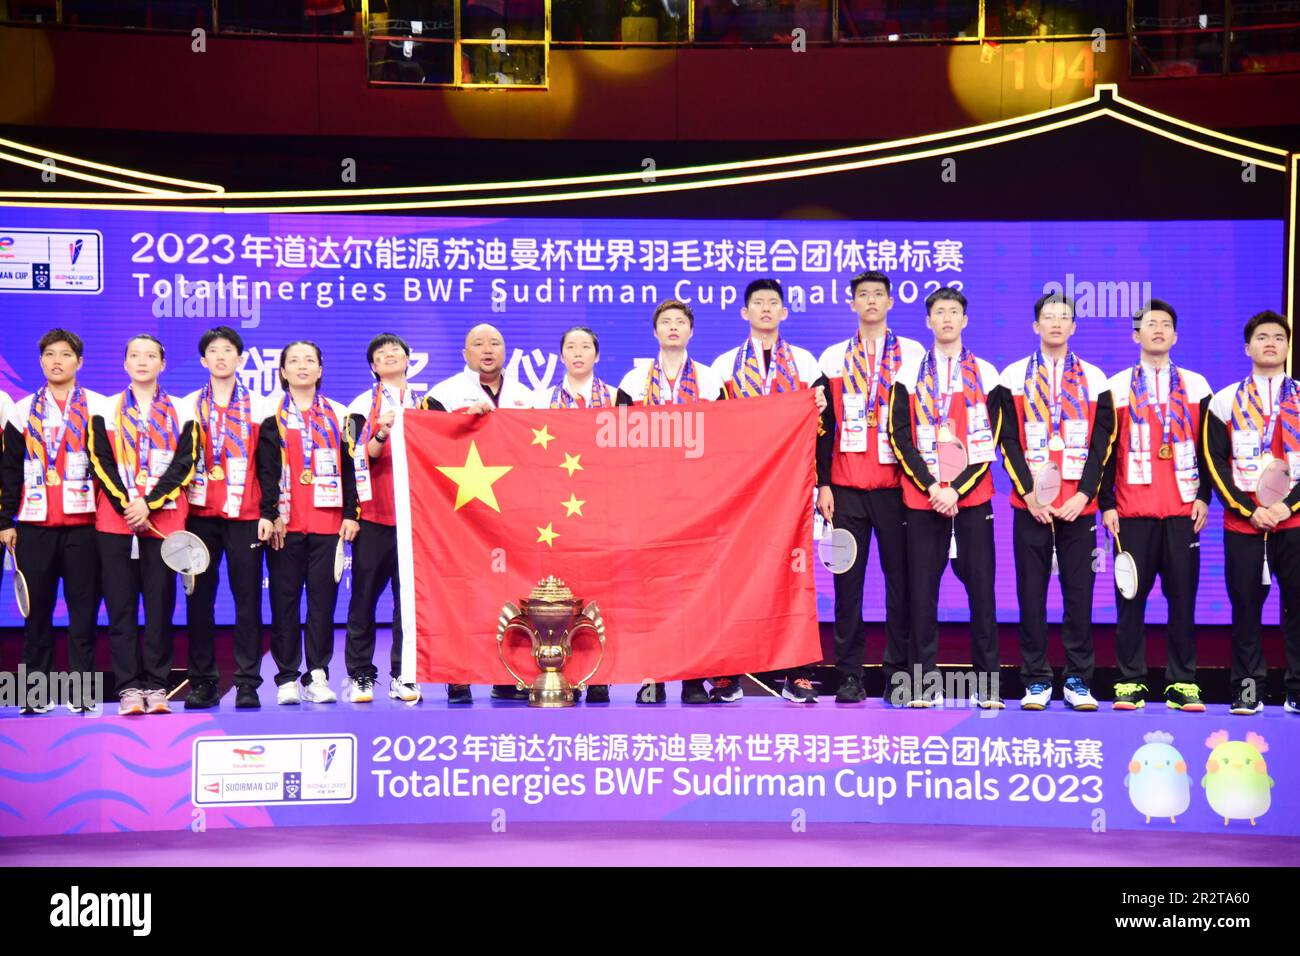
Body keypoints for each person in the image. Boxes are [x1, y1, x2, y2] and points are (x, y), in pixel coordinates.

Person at [710, 278, 829, 703]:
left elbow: (823, 429)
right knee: (732, 578)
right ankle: (725, 672)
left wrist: (827, 482)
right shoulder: (723, 367)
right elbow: (714, 430)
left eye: (772, 303)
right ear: (744, 313)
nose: (765, 309)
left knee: (793, 577)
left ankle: (797, 673)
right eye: (757, 303)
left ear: (784, 313)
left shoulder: (804, 363)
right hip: (740, 492)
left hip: (791, 491)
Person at [889, 286, 1006, 709]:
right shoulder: (906, 375)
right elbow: (898, 436)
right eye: (939, 313)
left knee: (983, 595)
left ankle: (988, 687)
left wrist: (956, 488)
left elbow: (990, 439)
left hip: (972, 501)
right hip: (923, 502)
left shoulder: (987, 374)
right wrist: (933, 487)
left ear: (965, 320)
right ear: (928, 321)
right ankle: (921, 686)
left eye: (954, 312)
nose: (947, 319)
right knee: (921, 594)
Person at [998, 293, 1114, 711]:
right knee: (1031, 594)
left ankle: (1079, 679)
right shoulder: (1012, 377)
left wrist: (1084, 495)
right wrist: (1030, 495)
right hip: (1029, 506)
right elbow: (1006, 440)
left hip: (1077, 509)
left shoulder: (1095, 378)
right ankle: (1035, 680)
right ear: (1035, 326)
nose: (1056, 324)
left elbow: (1103, 445)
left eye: (1064, 318)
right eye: (1048, 317)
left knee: (1078, 594)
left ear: (1074, 327)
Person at [815, 271, 924, 704]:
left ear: (891, 302)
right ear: (853, 304)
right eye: (863, 295)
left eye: (879, 294)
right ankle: (849, 675)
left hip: (898, 489)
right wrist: (822, 483)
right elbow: (824, 429)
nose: (872, 301)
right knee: (847, 585)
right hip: (845, 489)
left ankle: (898, 674)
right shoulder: (833, 357)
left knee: (901, 583)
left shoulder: (913, 354)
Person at [1099, 300, 1212, 712]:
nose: (1158, 330)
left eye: (1166, 325)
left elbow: (1209, 452)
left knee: (1183, 598)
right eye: (1150, 325)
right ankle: (1130, 681)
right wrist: (1107, 503)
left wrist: (1204, 496)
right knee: (1131, 598)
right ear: (1136, 335)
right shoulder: (1115, 388)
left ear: (1176, 336)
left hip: (1183, 512)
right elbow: (1105, 453)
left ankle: (1182, 682)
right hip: (1130, 513)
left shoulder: (1197, 386)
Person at [617, 299, 725, 705]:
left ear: (691, 332)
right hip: (649, 500)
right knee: (652, 591)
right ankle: (653, 676)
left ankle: (695, 679)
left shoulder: (711, 380)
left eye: (680, 322)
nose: (673, 328)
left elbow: (724, 438)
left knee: (695, 590)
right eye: (666, 322)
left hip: (697, 499)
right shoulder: (632, 381)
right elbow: (620, 442)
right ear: (655, 332)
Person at [428, 323, 538, 704]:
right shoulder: (442, 395)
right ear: (464, 353)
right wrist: (463, 422)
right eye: (478, 343)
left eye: (496, 342)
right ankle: (458, 676)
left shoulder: (528, 397)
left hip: (515, 513)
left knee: (513, 593)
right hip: (461, 514)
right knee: (463, 592)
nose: (487, 349)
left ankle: (508, 674)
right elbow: (428, 441)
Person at [88, 335, 197, 716]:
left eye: (151, 356)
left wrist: (147, 505)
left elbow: (185, 464)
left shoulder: (183, 411)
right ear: (125, 364)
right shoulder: (105, 409)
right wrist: (127, 505)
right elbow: (99, 463)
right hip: (115, 524)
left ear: (163, 364)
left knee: (159, 607)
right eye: (134, 355)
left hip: (163, 526)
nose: (142, 361)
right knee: (120, 609)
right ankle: (128, 688)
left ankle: (157, 685)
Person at [0, 330, 104, 714]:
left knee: (83, 613)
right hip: (33, 524)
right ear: (41, 361)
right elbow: (9, 468)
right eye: (49, 354)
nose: (56, 361)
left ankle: (82, 694)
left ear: (80, 361)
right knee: (36, 614)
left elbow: (108, 467)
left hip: (85, 524)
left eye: (65, 354)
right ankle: (33, 695)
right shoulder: (22, 408)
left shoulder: (99, 407)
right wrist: (4, 519)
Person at [1205, 310, 1300, 716]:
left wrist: (1286, 505)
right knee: (1245, 611)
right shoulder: (1225, 400)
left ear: (1287, 346)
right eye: (1262, 337)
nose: (1270, 343)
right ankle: (1247, 691)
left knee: (1297, 608)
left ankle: (1296, 689)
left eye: (1278, 337)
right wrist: (1249, 509)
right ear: (1247, 347)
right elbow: (1214, 462)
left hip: (1294, 522)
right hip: (1244, 526)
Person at [534, 326, 634, 704]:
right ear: (561, 356)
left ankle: (599, 675)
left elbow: (632, 451)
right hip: (556, 513)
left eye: (586, 347)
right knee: (559, 591)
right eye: (570, 347)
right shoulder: (541, 400)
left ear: (597, 355)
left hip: (603, 509)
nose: (578, 353)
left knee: (602, 592)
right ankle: (559, 670)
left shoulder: (616, 397)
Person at [181, 327, 279, 710]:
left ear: (240, 359)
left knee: (247, 600)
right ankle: (203, 682)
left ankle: (247, 682)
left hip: (246, 515)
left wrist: (270, 511)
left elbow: (271, 466)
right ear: (203, 361)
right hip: (198, 517)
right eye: (212, 351)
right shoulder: (187, 406)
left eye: (228, 350)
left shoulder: (261, 406)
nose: (220, 356)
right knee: (199, 600)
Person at [264, 341, 360, 706]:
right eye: (294, 361)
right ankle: (287, 676)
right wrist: (271, 513)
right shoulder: (270, 415)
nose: (302, 366)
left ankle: (317, 674)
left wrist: (352, 514)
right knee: (284, 602)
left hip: (328, 524)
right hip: (284, 526)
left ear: (320, 370)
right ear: (283, 371)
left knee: (322, 603)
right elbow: (265, 469)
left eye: (310, 360)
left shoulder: (339, 414)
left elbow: (352, 468)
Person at [345, 333, 427, 704]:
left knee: (407, 602)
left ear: (409, 360)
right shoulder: (361, 406)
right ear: (374, 367)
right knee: (363, 599)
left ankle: (404, 674)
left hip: (417, 519)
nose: (390, 355)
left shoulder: (427, 404)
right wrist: (381, 431)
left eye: (396, 351)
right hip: (375, 516)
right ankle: (360, 675)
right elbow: (358, 460)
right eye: (381, 354)